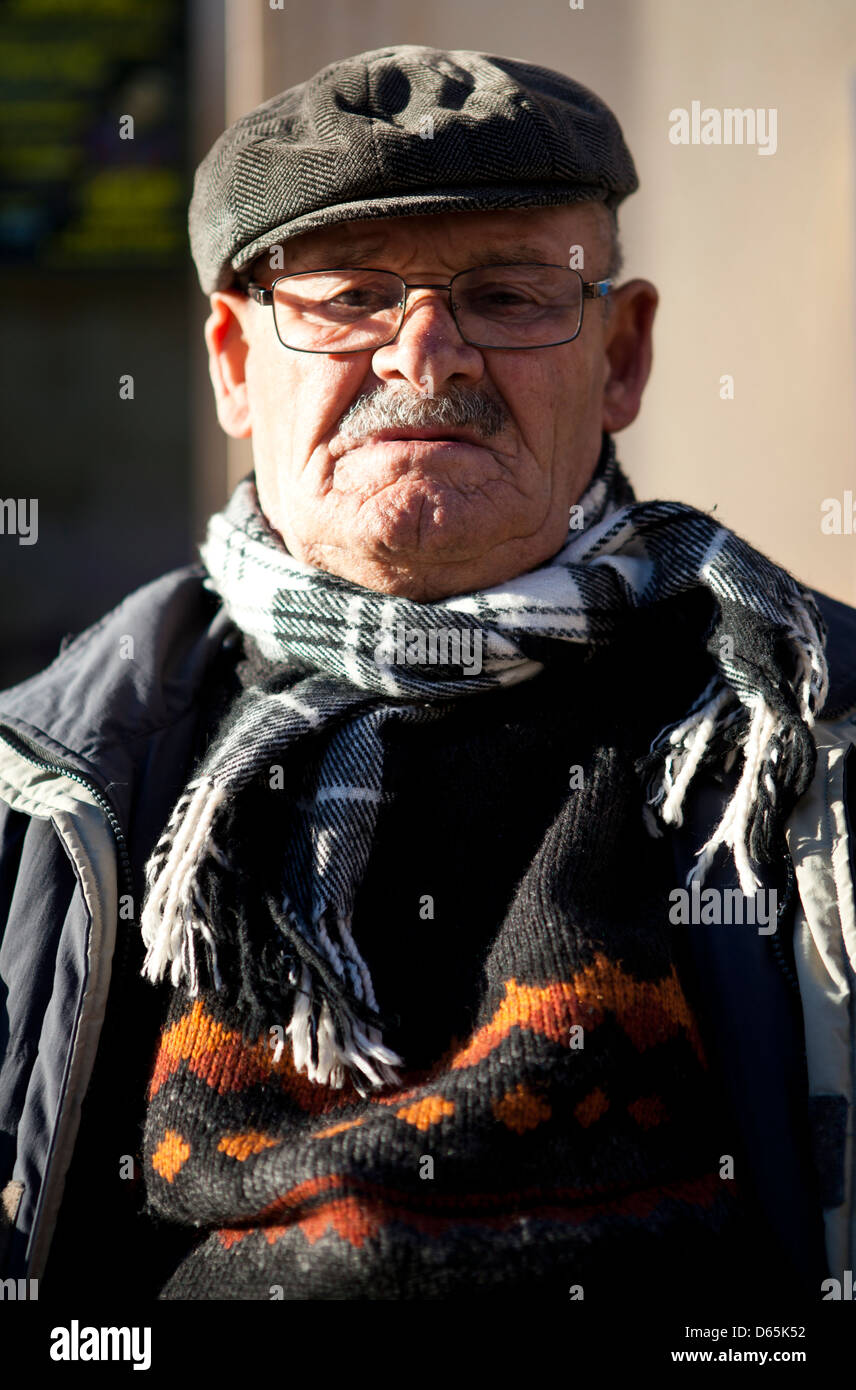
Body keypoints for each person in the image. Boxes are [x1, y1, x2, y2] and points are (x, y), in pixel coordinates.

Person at [1, 45, 853, 1304]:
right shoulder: (53, 786)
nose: (427, 356)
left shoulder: (805, 726)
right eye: (349, 298)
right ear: (235, 364)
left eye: (508, 296)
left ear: (620, 354)